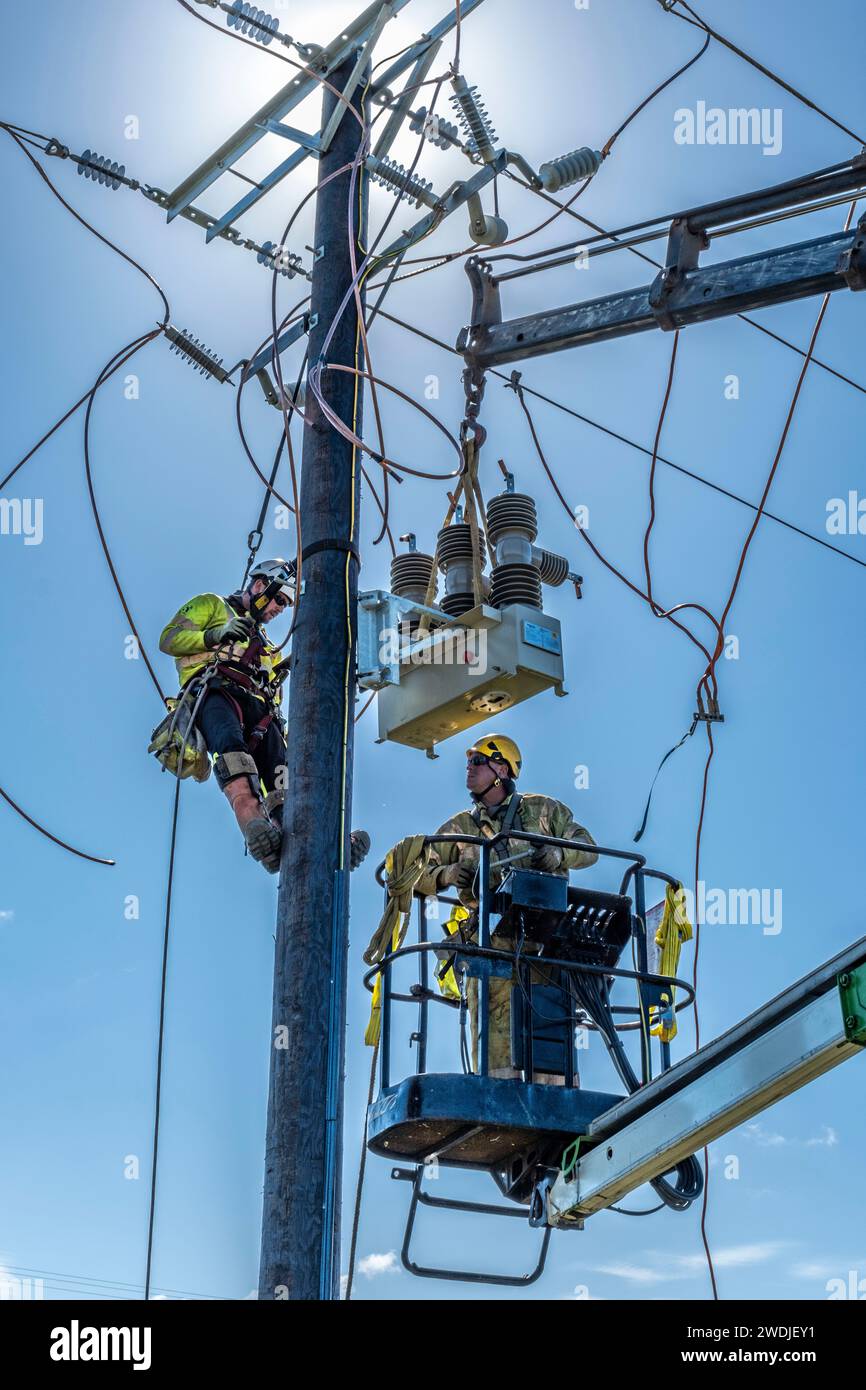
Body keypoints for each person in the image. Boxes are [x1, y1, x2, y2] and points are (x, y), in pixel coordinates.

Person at [159, 558, 369, 875]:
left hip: (262, 714)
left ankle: (317, 838)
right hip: (216, 695)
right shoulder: (213, 605)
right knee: (236, 767)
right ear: (260, 586)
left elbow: (275, 695)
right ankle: (256, 826)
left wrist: (281, 673)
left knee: (288, 781)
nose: (280, 610)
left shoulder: (268, 645)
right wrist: (216, 634)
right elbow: (169, 639)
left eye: (286, 605)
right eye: (279, 600)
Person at [416, 733, 597, 1080]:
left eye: (478, 761)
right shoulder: (459, 829)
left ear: (502, 768)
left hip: (545, 945)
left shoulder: (544, 811)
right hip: (490, 946)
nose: (468, 768)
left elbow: (587, 846)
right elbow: (415, 875)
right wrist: (448, 873)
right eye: (468, 761)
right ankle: (496, 1092)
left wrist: (559, 853)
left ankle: (554, 1089)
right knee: (495, 1041)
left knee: (548, 1024)